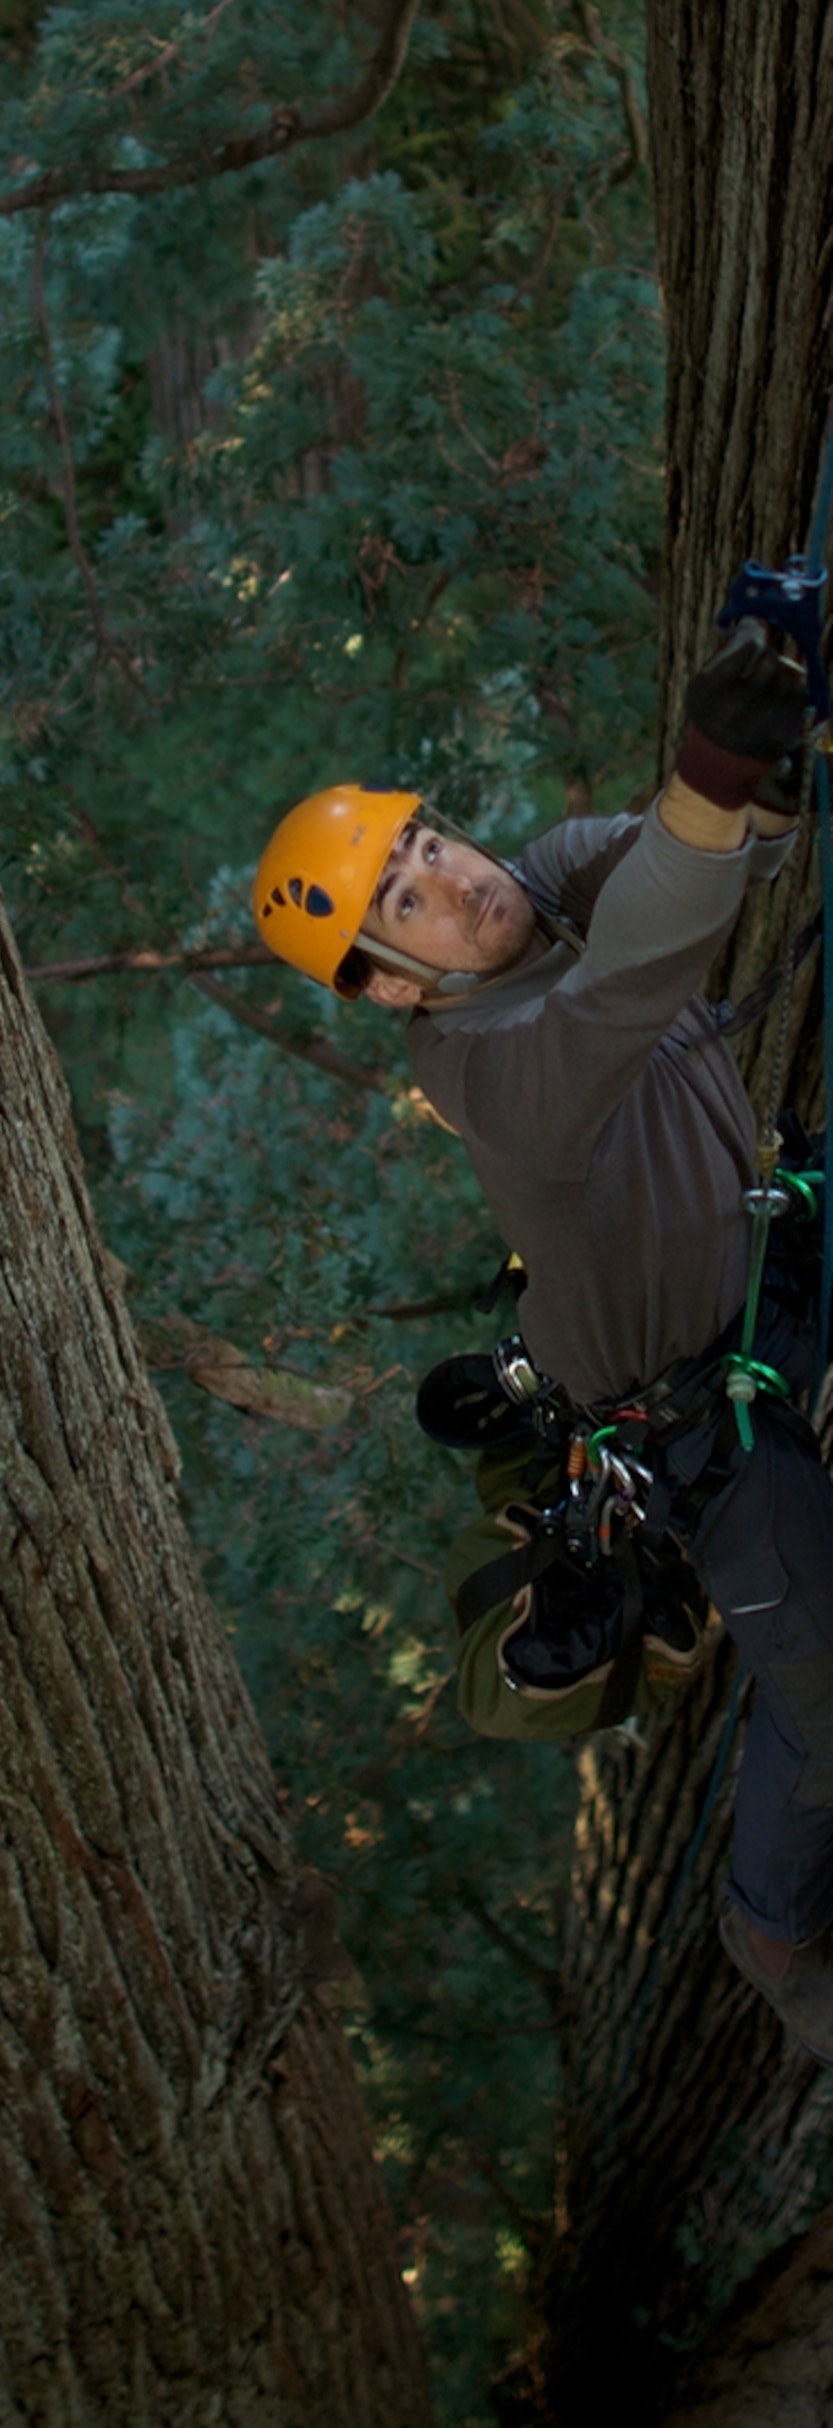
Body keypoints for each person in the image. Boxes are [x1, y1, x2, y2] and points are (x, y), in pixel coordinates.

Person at [250, 619, 833, 2054]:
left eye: (427, 843)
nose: (455, 878)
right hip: (698, 1428)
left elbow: (697, 858)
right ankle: (772, 1924)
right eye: (407, 898)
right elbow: (638, 966)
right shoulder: (486, 1071)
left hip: (777, 1260)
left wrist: (759, 768)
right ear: (394, 983)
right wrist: (715, 773)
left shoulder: (545, 882)